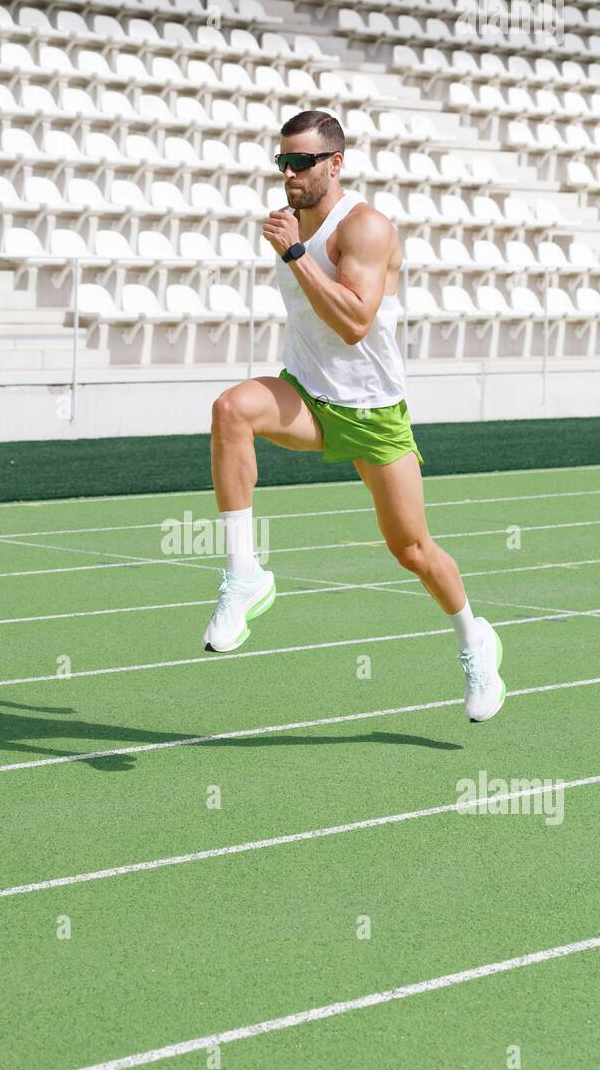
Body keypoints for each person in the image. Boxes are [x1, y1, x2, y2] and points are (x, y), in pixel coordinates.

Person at [202, 110, 506, 723]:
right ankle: (244, 575)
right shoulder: (291, 223)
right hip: (309, 396)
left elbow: (353, 321)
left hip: (372, 413)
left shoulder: (365, 227)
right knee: (232, 409)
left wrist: (293, 253)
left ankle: (475, 640)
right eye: (281, 161)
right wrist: (293, 245)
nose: (287, 172)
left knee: (413, 550)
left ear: (334, 164)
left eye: (300, 162)